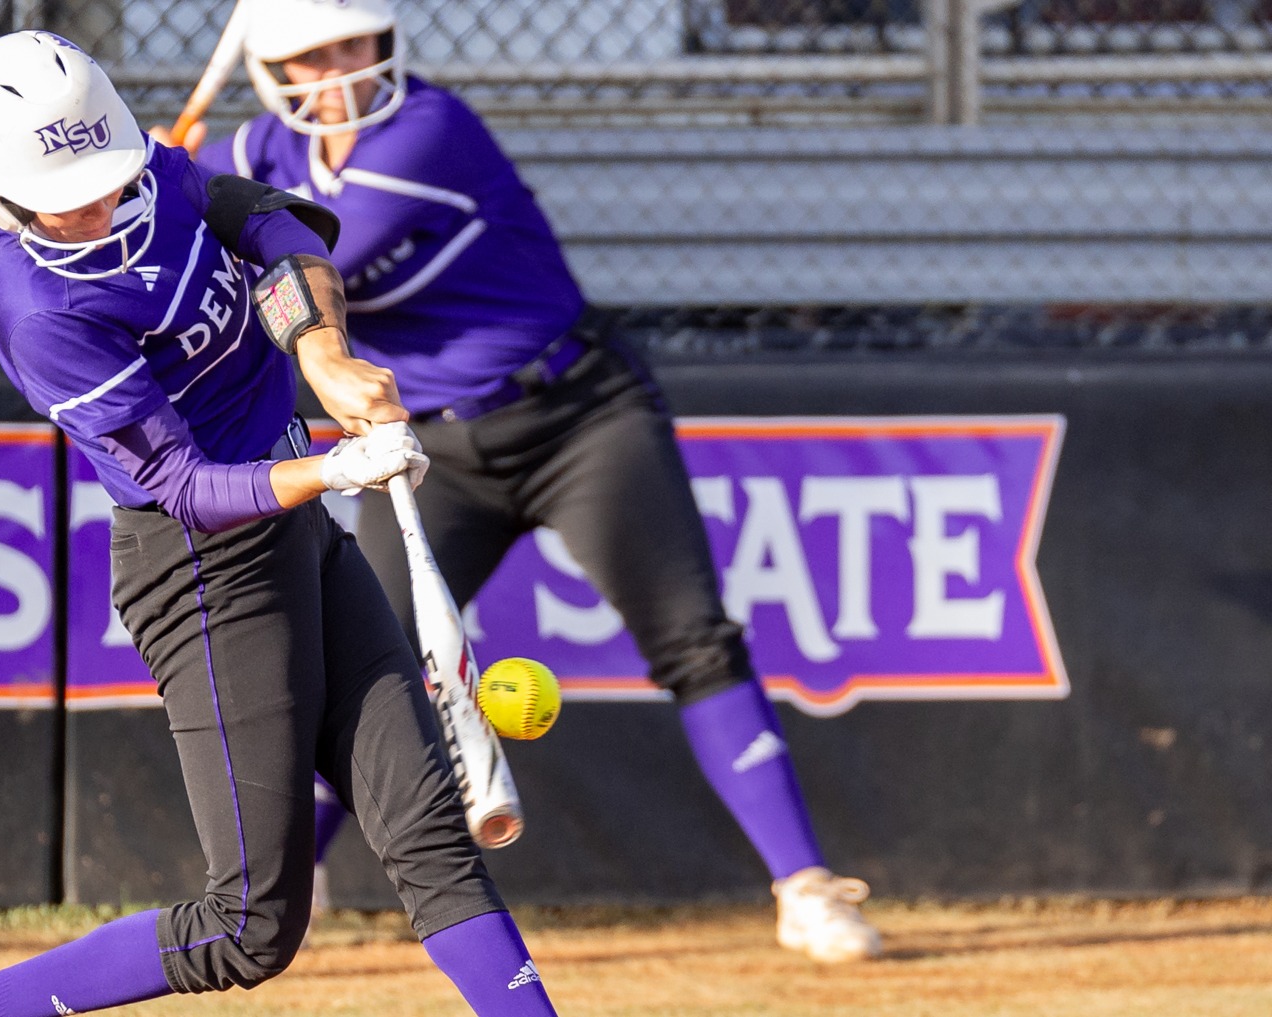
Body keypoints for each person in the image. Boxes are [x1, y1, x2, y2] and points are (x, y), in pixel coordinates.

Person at [0, 30, 562, 1017]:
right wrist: (330, 466)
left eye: (106, 174)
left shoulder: (148, 172)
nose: (101, 202)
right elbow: (183, 486)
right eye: (70, 195)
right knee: (247, 928)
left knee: (432, 840)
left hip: (301, 535)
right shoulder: (42, 313)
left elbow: (274, 224)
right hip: (203, 575)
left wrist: (320, 354)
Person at [170, 0, 883, 964]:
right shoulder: (259, 155)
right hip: (428, 452)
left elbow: (319, 261)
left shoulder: (430, 130)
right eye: (309, 56)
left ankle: (806, 888)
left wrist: (196, 217)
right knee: (365, 671)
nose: (337, 70)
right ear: (274, 73)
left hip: (578, 415)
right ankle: (290, 888)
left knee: (693, 640)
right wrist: (184, 195)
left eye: (352, 45)